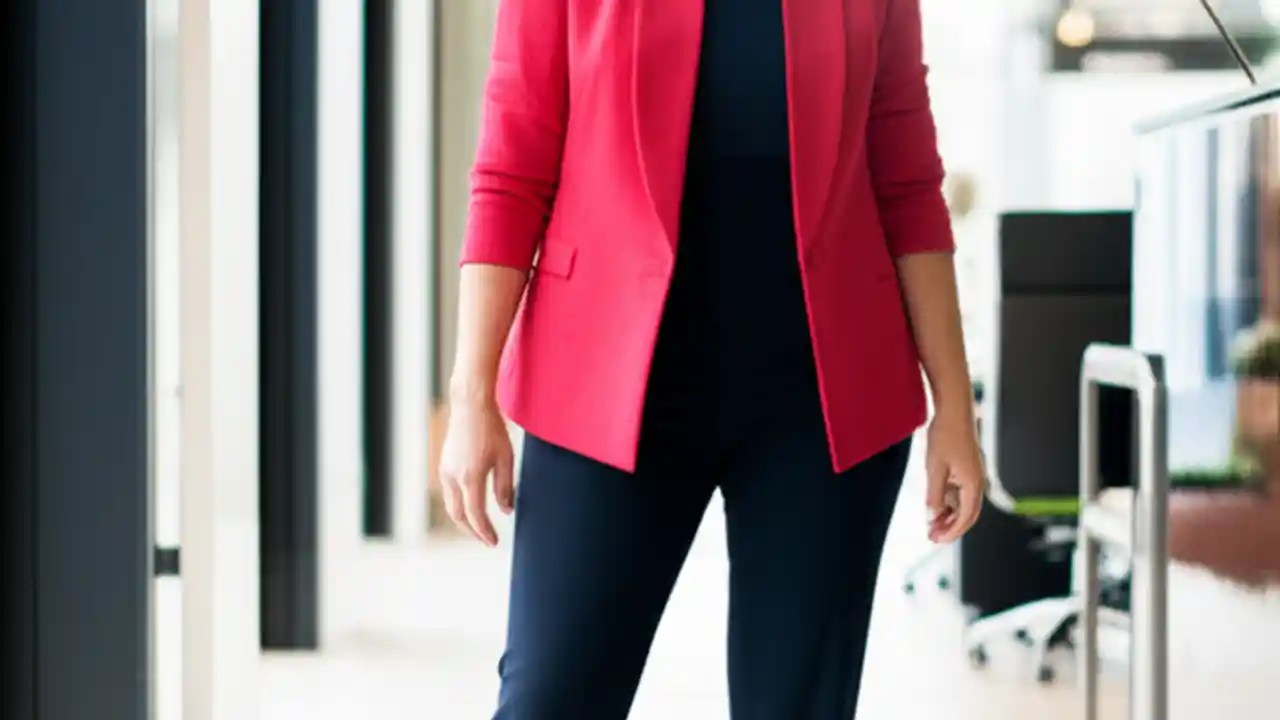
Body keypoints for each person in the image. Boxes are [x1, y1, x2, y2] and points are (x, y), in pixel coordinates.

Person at [438, 0, 985, 717]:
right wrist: (471, 392)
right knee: (551, 696)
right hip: (605, 385)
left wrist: (954, 406)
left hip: (821, 401)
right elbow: (512, 164)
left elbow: (907, 182)